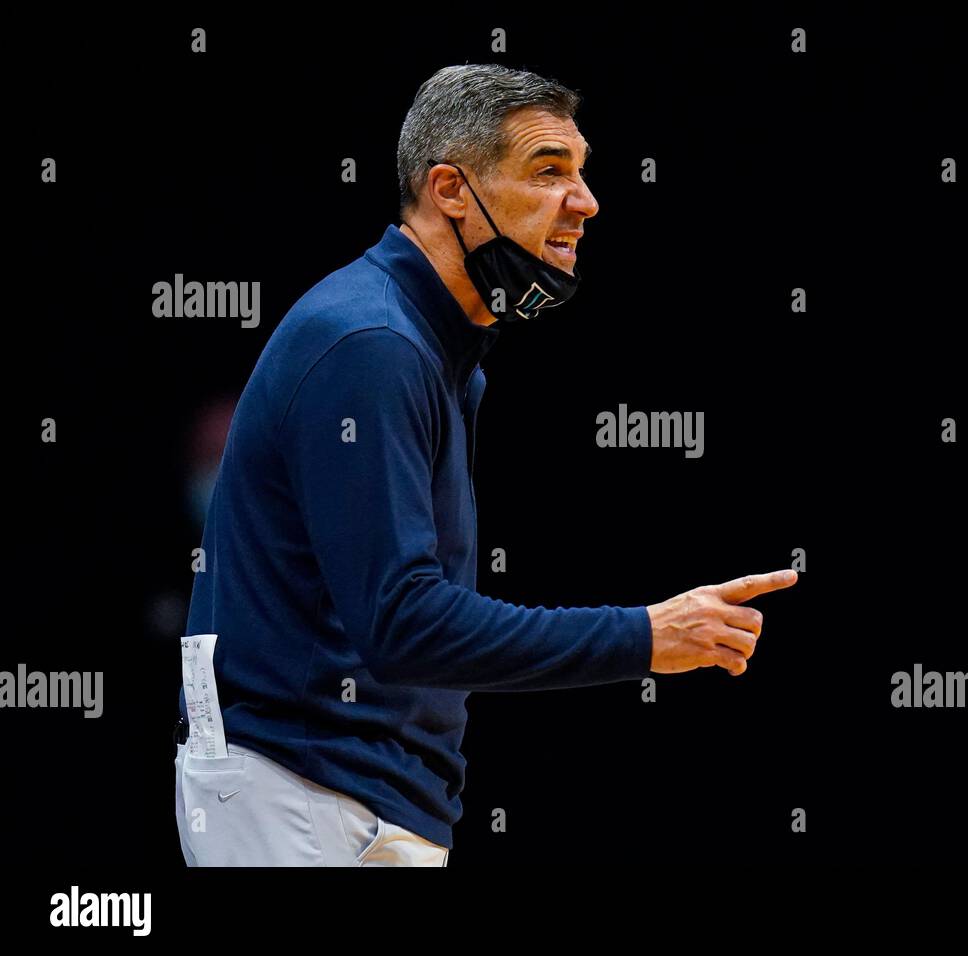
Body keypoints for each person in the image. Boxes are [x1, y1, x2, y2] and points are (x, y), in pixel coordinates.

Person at [173, 63, 798, 867]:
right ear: (450, 190)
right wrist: (643, 636)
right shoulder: (372, 344)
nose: (585, 201)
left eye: (582, 171)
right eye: (548, 171)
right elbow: (403, 623)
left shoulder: (440, 351)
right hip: (299, 788)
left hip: (350, 795)